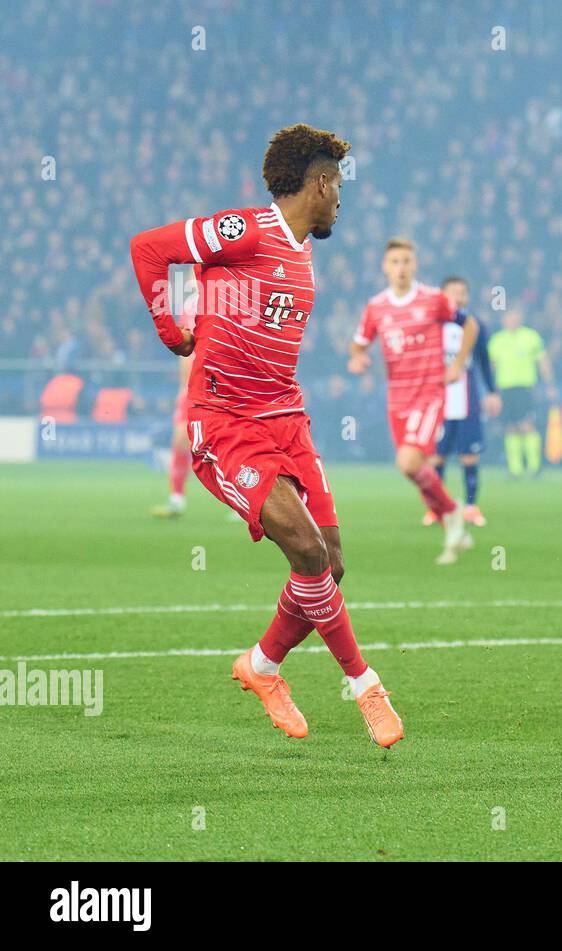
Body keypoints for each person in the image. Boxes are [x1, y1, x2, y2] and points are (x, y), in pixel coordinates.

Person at [129, 123, 405, 747]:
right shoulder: (245, 230)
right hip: (226, 425)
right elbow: (149, 248)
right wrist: (172, 332)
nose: (342, 199)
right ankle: (365, 684)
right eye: (338, 186)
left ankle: (262, 665)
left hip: (287, 420)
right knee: (306, 554)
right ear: (318, 182)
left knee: (329, 564)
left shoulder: (304, 250)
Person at [349, 239, 476, 564]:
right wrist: (358, 360)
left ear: (415, 265)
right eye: (395, 261)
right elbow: (359, 345)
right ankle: (452, 514)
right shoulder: (376, 307)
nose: (401, 267)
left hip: (429, 395)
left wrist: (457, 364)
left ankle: (450, 514)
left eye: (406, 261)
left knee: (407, 462)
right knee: (413, 468)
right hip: (397, 400)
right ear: (385, 266)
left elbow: (470, 325)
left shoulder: (434, 299)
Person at [431, 275, 501, 527]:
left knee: (469, 455)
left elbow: (484, 360)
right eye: (453, 292)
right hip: (438, 396)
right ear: (442, 295)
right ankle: (437, 509)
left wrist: (492, 392)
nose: (458, 297)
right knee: (437, 456)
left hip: (466, 394)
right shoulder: (434, 323)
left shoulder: (475, 325)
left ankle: (471, 506)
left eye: (462, 292)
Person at [151, 269, 198, 519]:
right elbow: (186, 348)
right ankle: (176, 499)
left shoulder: (220, 305)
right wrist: (183, 385)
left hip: (213, 383)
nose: (192, 278)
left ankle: (247, 501)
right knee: (180, 438)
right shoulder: (189, 305)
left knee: (216, 444)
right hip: (189, 385)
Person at [487, 308, 555, 477]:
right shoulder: (497, 340)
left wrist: (549, 384)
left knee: (527, 425)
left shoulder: (530, 337)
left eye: (515, 316)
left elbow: (543, 362)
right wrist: (490, 390)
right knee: (510, 427)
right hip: (505, 388)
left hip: (525, 388)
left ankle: (534, 466)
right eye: (509, 317)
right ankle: (515, 469)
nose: (512, 320)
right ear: (503, 319)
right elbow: (492, 367)